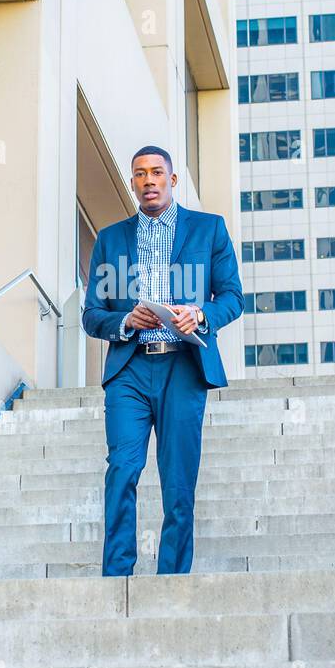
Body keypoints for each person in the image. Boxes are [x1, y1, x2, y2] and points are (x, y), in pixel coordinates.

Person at [81, 145, 244, 575]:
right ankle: (117, 576)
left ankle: (172, 578)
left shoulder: (209, 230)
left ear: (172, 181)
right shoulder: (110, 239)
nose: (148, 180)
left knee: (178, 482)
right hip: (130, 369)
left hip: (184, 368)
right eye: (139, 174)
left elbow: (233, 298)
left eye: (157, 173)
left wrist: (201, 314)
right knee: (122, 468)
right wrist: (124, 320)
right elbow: (91, 315)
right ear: (132, 182)